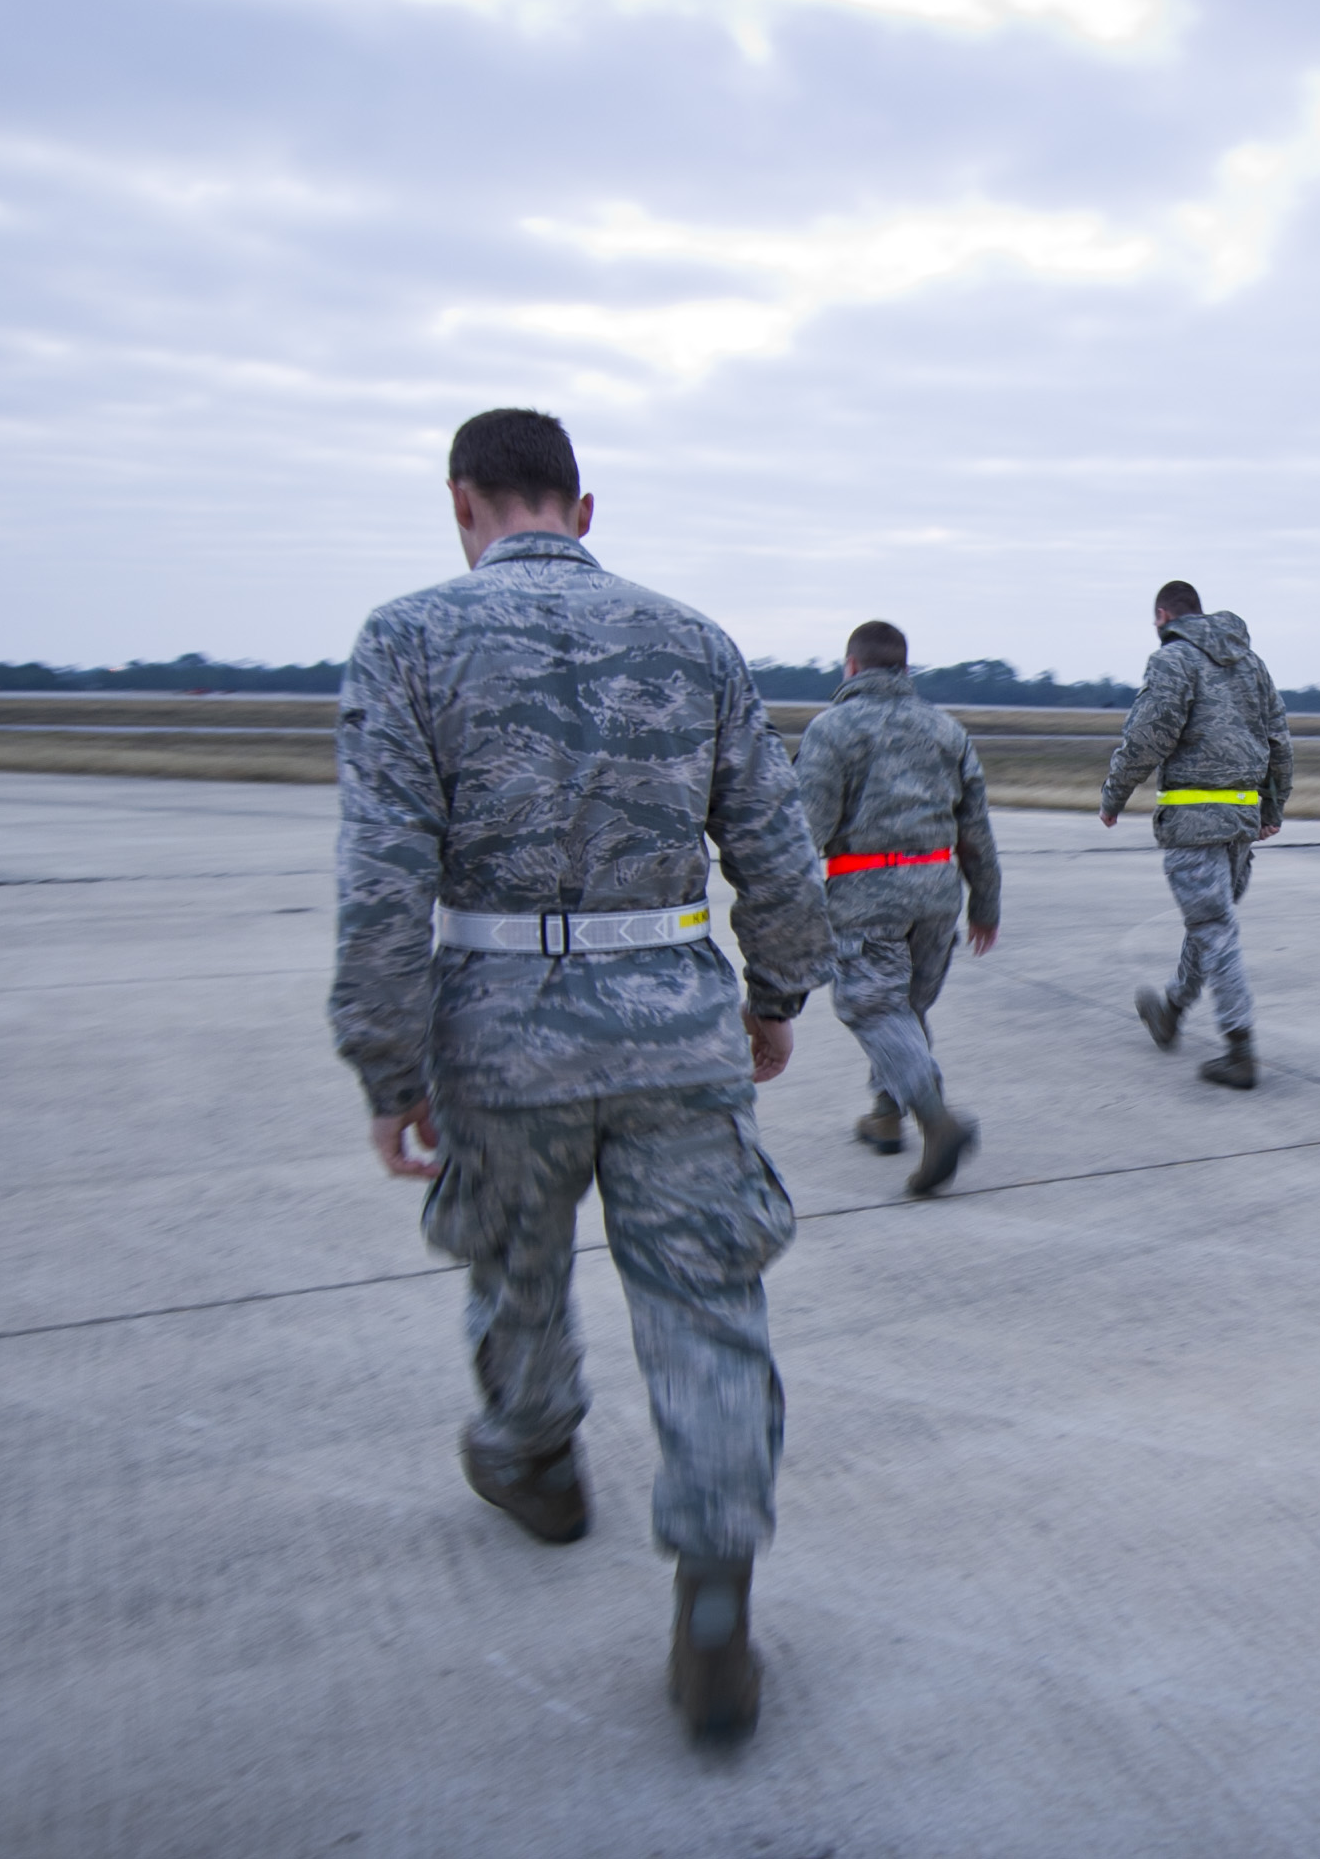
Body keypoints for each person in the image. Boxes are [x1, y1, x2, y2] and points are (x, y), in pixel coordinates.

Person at [330, 407, 827, 1740]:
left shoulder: (409, 641)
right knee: (709, 1305)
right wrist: (772, 998)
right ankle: (715, 1592)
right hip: (676, 1027)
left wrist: (388, 1064)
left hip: (502, 1035)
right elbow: (777, 854)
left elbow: (383, 885)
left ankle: (537, 1459)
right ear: (583, 508)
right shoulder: (696, 642)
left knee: (517, 1270)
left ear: (461, 503)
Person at [794, 618, 1001, 1193]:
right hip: (937, 895)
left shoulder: (831, 730)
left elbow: (804, 828)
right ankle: (887, 1115)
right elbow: (975, 829)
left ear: (851, 667)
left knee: (872, 1007)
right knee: (904, 1010)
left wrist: (783, 906)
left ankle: (937, 1122)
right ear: (905, 670)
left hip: (868, 896)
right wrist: (985, 903)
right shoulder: (947, 731)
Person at [1103, 579, 1292, 1090]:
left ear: (1164, 616)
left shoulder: (1173, 660)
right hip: (1240, 821)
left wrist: (1114, 794)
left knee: (1213, 928)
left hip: (1194, 822)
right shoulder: (1251, 664)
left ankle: (1239, 1049)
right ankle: (1172, 1008)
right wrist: (1273, 806)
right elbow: (1279, 738)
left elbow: (1148, 735)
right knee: (1211, 920)